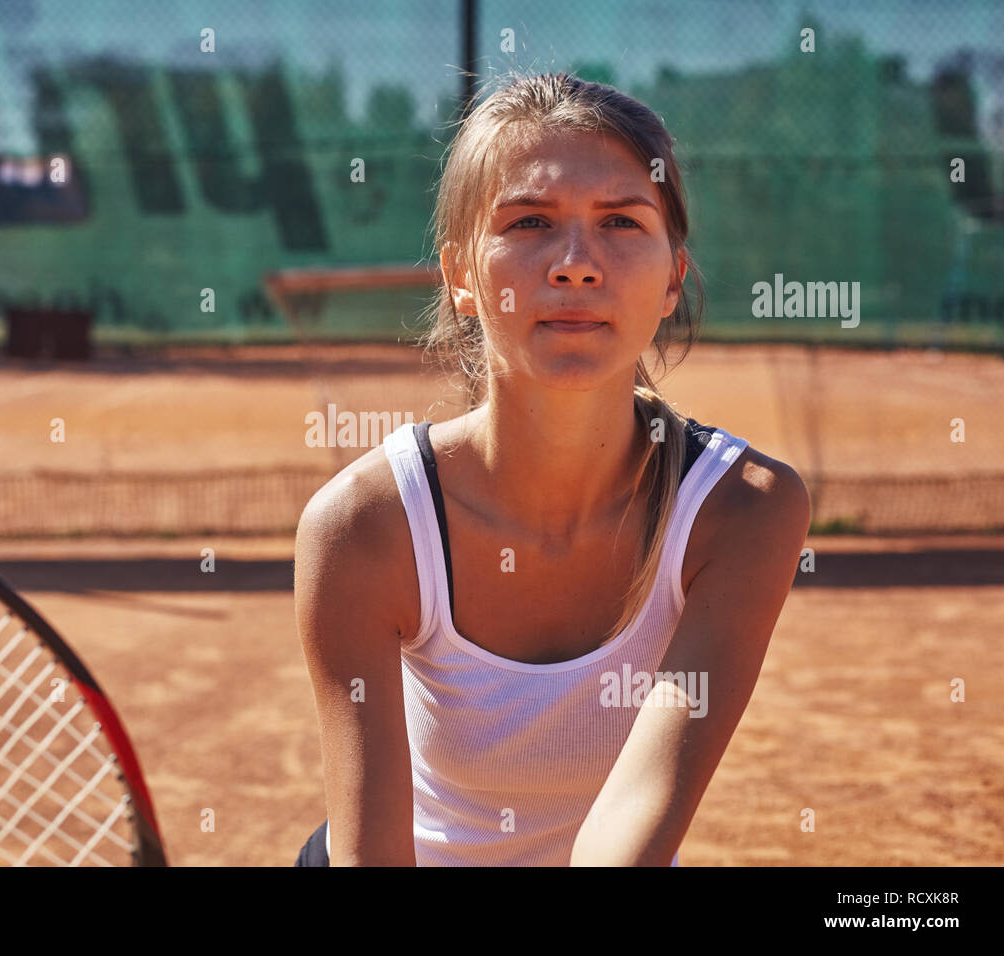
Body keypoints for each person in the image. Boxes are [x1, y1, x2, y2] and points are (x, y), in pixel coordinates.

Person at [293, 72, 810, 866]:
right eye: (530, 222)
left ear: (674, 276)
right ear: (462, 274)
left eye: (622, 222)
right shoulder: (360, 527)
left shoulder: (746, 512)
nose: (576, 263)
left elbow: (629, 839)